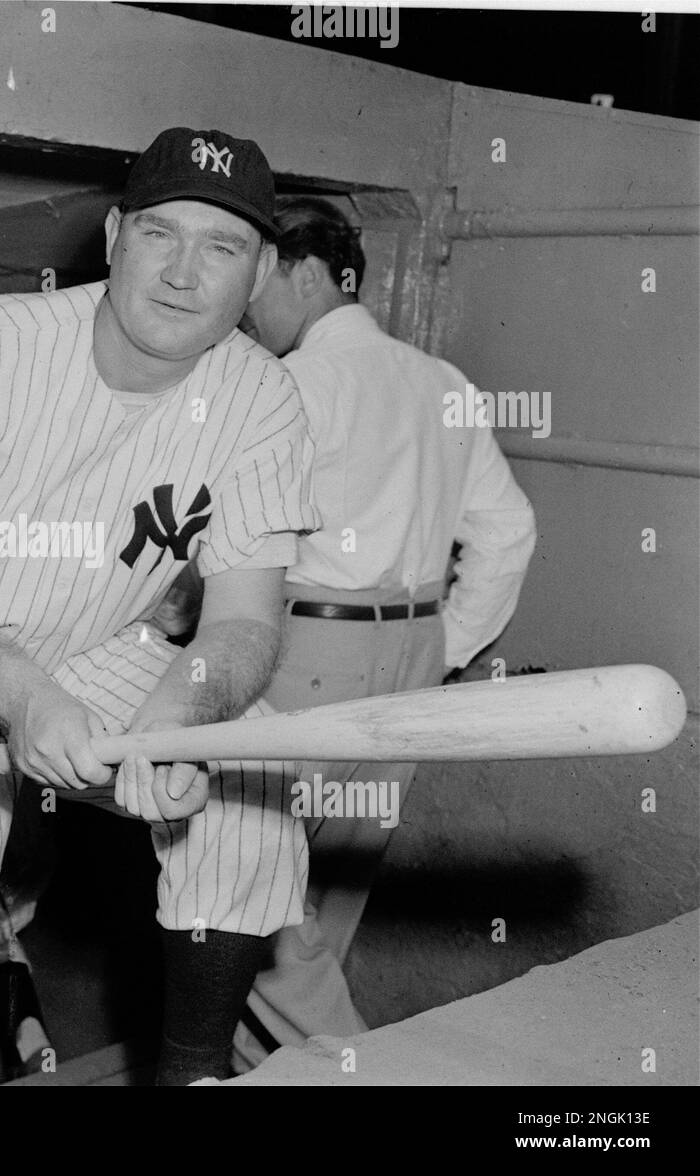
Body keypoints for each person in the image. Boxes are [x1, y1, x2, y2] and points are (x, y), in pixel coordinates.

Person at [0, 127, 322, 1085]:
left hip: (93, 651)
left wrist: (183, 714)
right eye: (160, 233)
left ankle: (188, 1073)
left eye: (224, 247)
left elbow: (241, 621)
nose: (184, 272)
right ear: (114, 234)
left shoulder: (264, 398)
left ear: (264, 270)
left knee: (254, 774)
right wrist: (17, 692)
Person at [227, 195, 537, 1068]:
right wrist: (444, 649)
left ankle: (368, 1072)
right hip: (409, 657)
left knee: (244, 890)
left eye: (257, 280)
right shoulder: (441, 380)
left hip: (306, 654)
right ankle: (286, 1069)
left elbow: (226, 542)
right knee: (322, 907)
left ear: (309, 273)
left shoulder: (286, 384)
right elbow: (508, 532)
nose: (246, 307)